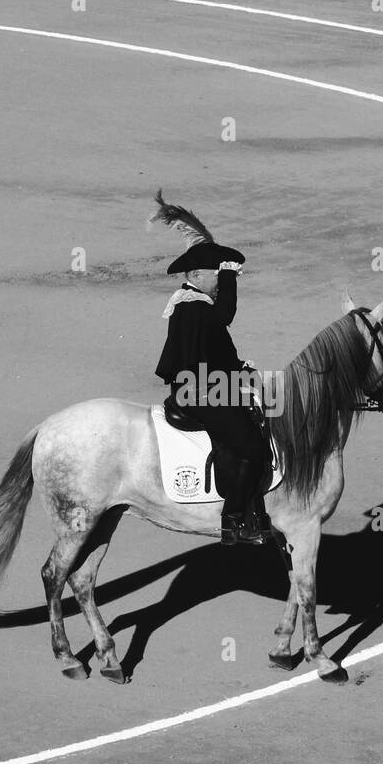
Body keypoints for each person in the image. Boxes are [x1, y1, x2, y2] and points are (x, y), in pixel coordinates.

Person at [150, 190, 271, 545]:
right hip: (200, 393)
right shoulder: (192, 305)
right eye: (215, 275)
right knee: (253, 448)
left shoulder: (196, 305)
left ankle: (255, 511)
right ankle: (233, 520)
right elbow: (225, 317)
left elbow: (212, 348)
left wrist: (239, 368)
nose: (219, 281)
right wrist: (230, 276)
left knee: (266, 409)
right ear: (198, 275)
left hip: (210, 385)